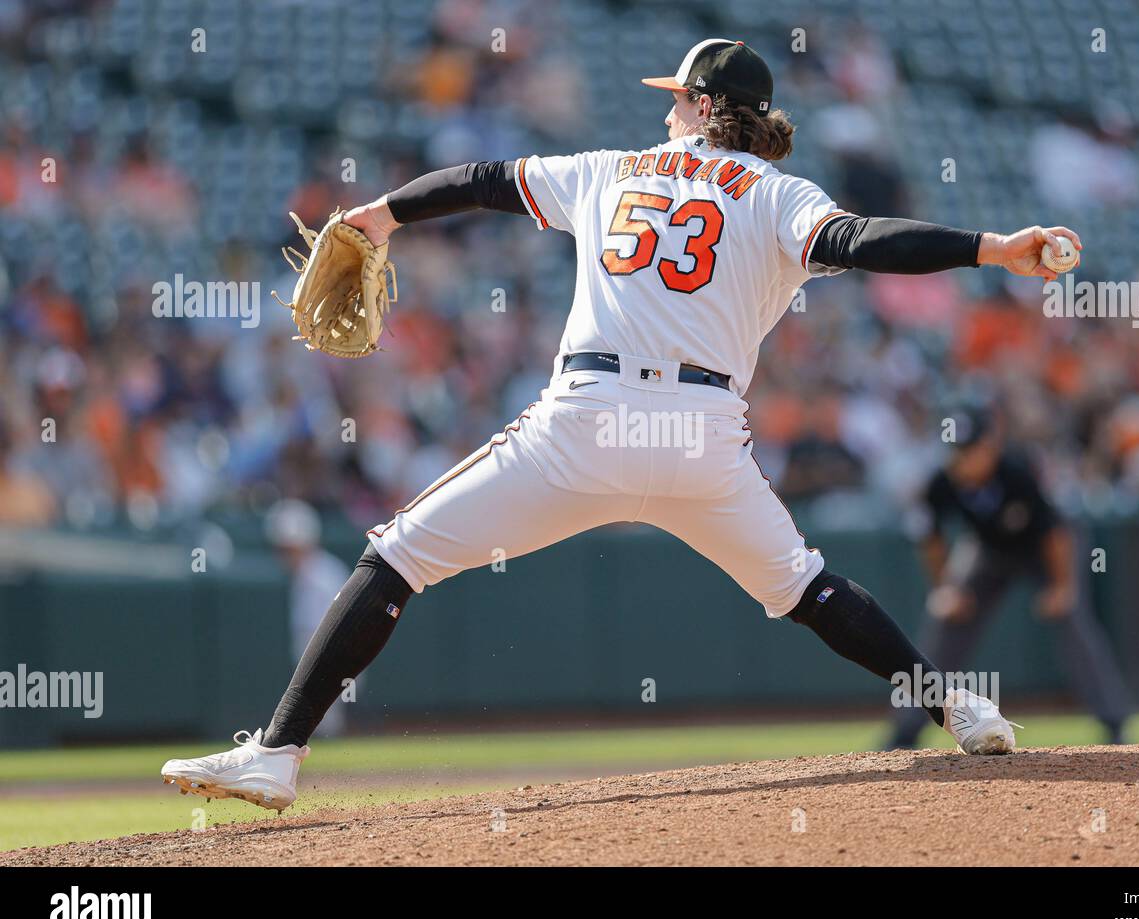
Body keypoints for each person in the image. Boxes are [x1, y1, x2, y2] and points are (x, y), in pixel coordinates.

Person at [162, 39, 1081, 809]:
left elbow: (481, 180)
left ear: (702, 105)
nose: (668, 110)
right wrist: (992, 248)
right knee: (806, 588)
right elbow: (864, 240)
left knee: (395, 557)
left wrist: (380, 214)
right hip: (702, 439)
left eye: (679, 98)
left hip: (587, 423)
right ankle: (956, 706)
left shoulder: (609, 171)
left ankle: (278, 754)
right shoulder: (775, 194)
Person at [885, 408, 1132, 750]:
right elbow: (931, 537)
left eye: (970, 449)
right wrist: (947, 588)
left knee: (1072, 620)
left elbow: (1055, 532)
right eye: (957, 451)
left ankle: (1114, 723)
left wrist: (1063, 587)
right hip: (988, 551)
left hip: (1044, 550)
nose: (964, 459)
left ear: (990, 445)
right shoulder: (943, 481)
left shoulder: (1017, 471)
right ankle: (905, 731)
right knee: (945, 623)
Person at [264, 499, 353, 737]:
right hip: (312, 650)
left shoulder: (324, 573)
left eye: (291, 548)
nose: (285, 554)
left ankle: (333, 770)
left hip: (333, 652)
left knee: (323, 724)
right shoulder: (303, 573)